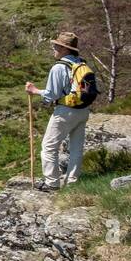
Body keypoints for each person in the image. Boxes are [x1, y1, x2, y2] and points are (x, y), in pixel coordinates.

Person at [24, 31, 98, 191]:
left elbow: (52, 95)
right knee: (76, 147)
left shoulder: (59, 67)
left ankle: (52, 183)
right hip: (83, 110)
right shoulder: (81, 64)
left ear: (64, 49)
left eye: (56, 46)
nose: (54, 48)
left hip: (66, 111)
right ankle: (72, 182)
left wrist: (35, 91)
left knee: (48, 146)